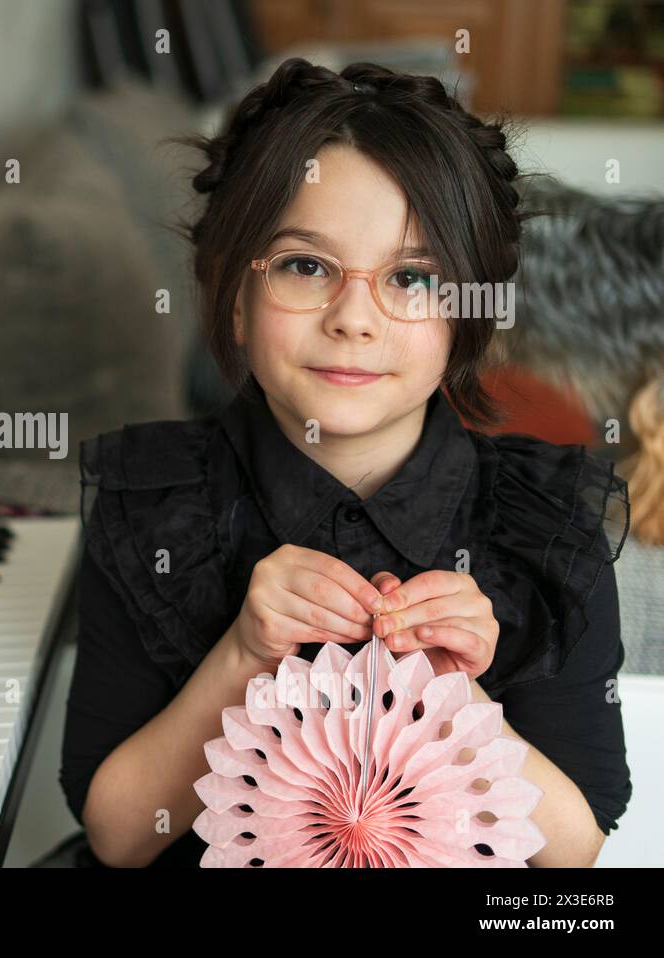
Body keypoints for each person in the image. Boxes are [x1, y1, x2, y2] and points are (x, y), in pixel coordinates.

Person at [59, 58, 632, 868]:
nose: (355, 318)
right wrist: (242, 656)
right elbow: (119, 837)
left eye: (411, 277)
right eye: (305, 266)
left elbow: (572, 854)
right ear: (233, 294)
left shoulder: (549, 522)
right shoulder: (152, 503)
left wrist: (457, 702)